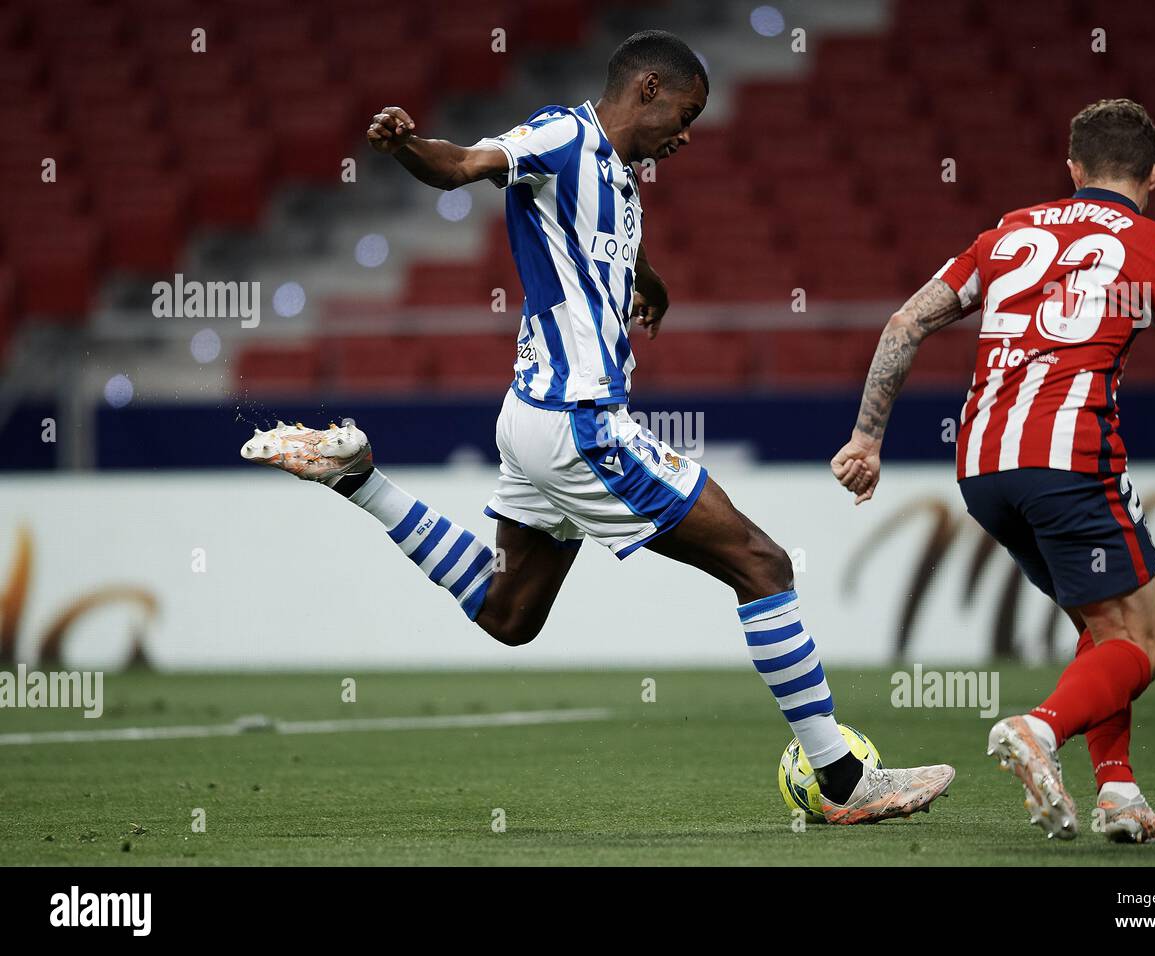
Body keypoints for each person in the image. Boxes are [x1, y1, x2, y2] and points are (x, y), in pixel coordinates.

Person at [242, 30, 954, 824]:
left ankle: (359, 480)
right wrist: (409, 145)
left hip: (532, 420)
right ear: (646, 87)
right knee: (763, 564)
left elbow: (617, 249)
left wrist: (650, 286)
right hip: (581, 422)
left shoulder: (618, 177)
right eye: (685, 112)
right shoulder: (562, 136)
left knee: (511, 616)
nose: (688, 132)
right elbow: (463, 165)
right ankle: (845, 782)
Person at [832, 98, 1155, 842]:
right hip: (1070, 460)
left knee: (1100, 626)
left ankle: (1120, 795)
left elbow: (904, 323)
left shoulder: (1008, 232)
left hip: (983, 469)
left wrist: (865, 439)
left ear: (1072, 167)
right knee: (1138, 643)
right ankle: (1039, 730)